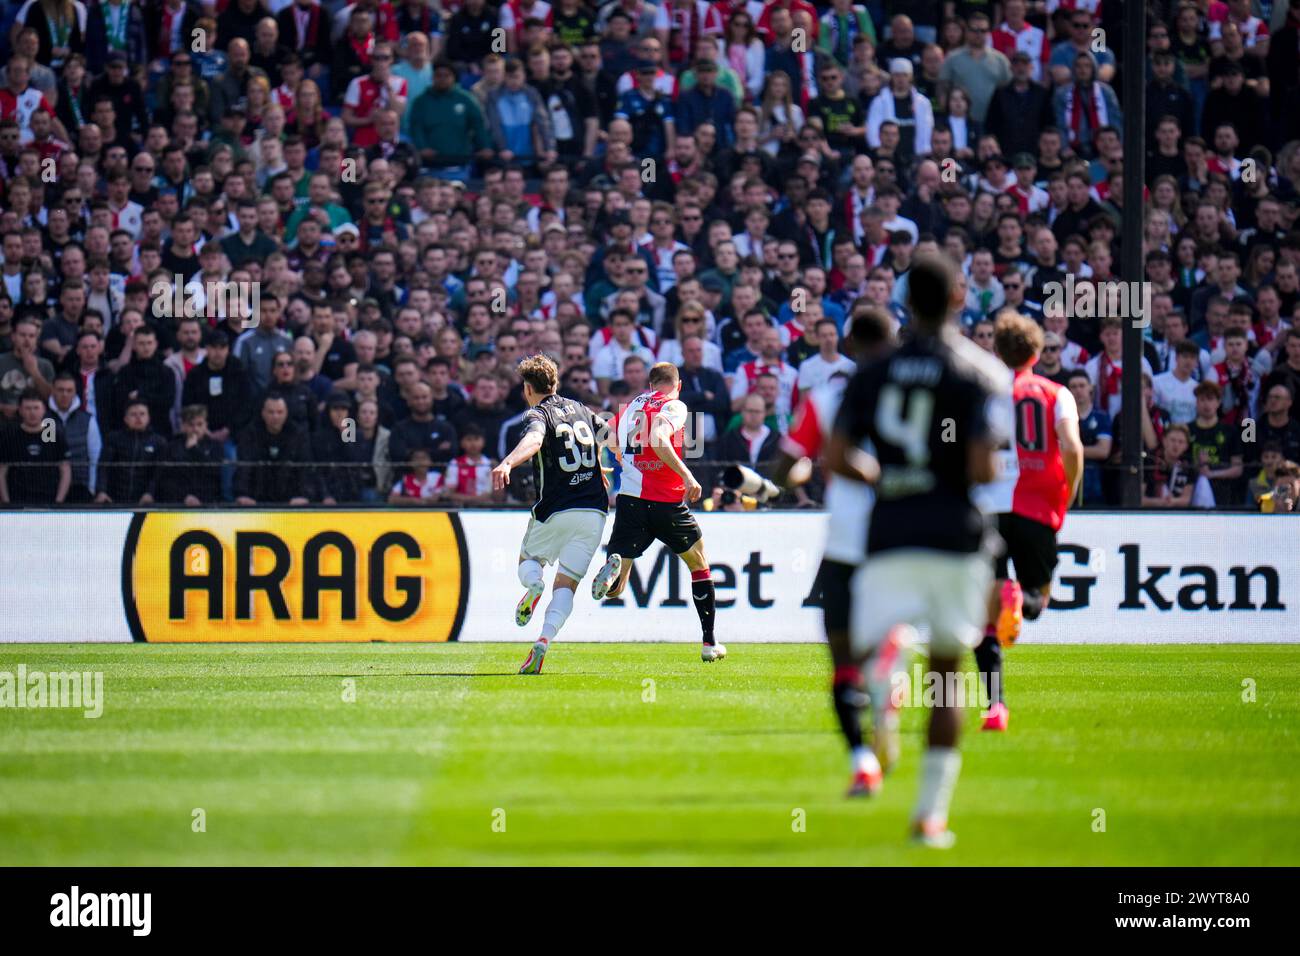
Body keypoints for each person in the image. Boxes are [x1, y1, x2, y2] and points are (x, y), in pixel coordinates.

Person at [825, 255, 1008, 846]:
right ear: (960, 296)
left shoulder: (875, 371)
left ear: (905, 302)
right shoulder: (980, 372)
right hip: (955, 533)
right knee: (951, 677)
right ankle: (930, 816)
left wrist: (888, 479)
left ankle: (887, 662)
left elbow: (837, 457)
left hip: (890, 532)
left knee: (869, 640)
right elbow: (983, 465)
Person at [774, 305, 893, 796]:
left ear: (849, 345)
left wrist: (800, 472)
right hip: (904, 535)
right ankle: (888, 668)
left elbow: (786, 466)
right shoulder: (920, 391)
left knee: (841, 655)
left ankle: (862, 759)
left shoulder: (828, 396)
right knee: (888, 635)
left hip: (847, 539)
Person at [975, 312, 1083, 734]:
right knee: (1039, 601)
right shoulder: (1057, 393)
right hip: (1037, 507)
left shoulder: (983, 393)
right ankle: (1025, 598)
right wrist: (1069, 490)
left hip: (987, 508)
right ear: (1037, 352)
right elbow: (1072, 447)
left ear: (997, 352)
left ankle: (995, 707)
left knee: (985, 615)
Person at [591, 360, 724, 663]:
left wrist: (604, 464)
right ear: (678, 385)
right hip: (666, 502)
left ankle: (612, 570)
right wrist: (689, 476)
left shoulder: (632, 405)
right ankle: (708, 643)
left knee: (618, 586)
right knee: (698, 562)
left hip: (629, 501)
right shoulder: (674, 406)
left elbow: (602, 433)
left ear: (650, 384)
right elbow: (659, 439)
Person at [492, 353, 609, 675]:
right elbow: (609, 435)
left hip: (556, 509)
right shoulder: (583, 409)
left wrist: (507, 463)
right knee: (567, 585)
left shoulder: (537, 414)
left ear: (528, 388)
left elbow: (533, 440)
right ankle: (544, 639)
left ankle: (533, 586)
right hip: (595, 509)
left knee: (528, 562)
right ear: (555, 382)